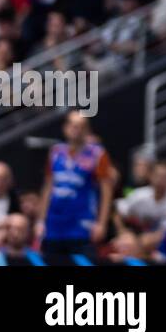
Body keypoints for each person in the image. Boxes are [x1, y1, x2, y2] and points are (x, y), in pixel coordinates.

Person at [37, 111, 115, 263]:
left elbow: (107, 191)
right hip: (54, 225)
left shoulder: (98, 154)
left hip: (82, 226)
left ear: (87, 130)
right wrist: (40, 220)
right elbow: (47, 188)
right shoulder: (55, 152)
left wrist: (101, 223)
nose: (75, 129)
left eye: (80, 126)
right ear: (65, 128)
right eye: (72, 125)